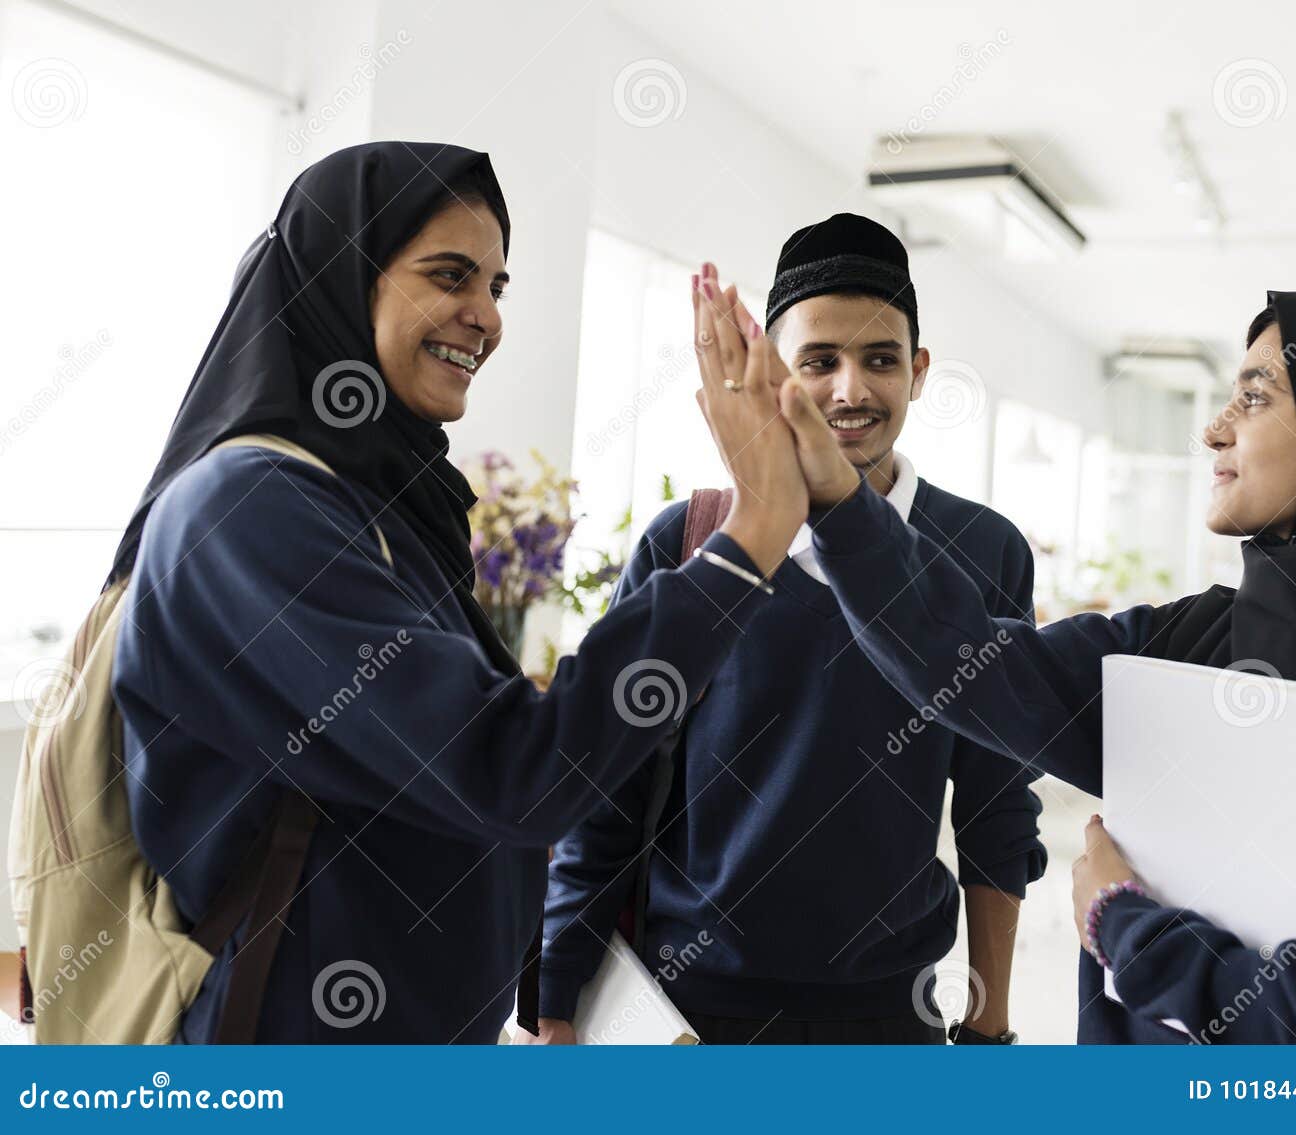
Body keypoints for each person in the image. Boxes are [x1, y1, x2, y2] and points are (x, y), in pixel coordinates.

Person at [704, 287, 1296, 1043]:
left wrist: (1125, 925)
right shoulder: (1221, 635)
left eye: (1254, 398)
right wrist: (834, 493)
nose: (1215, 427)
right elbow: (980, 669)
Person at [108, 142, 810, 1042]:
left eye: (497, 287)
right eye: (449, 276)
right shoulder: (247, 511)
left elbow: (454, 748)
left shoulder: (371, 502)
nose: (486, 318)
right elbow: (514, 769)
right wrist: (752, 532)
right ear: (341, 276)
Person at [533, 216, 1045, 1046]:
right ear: (775, 376)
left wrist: (989, 1024)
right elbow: (606, 789)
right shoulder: (691, 541)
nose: (851, 390)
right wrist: (556, 1003)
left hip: (890, 1014)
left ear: (918, 373)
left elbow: (995, 806)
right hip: (687, 1011)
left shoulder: (983, 552)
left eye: (880, 359)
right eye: (818, 362)